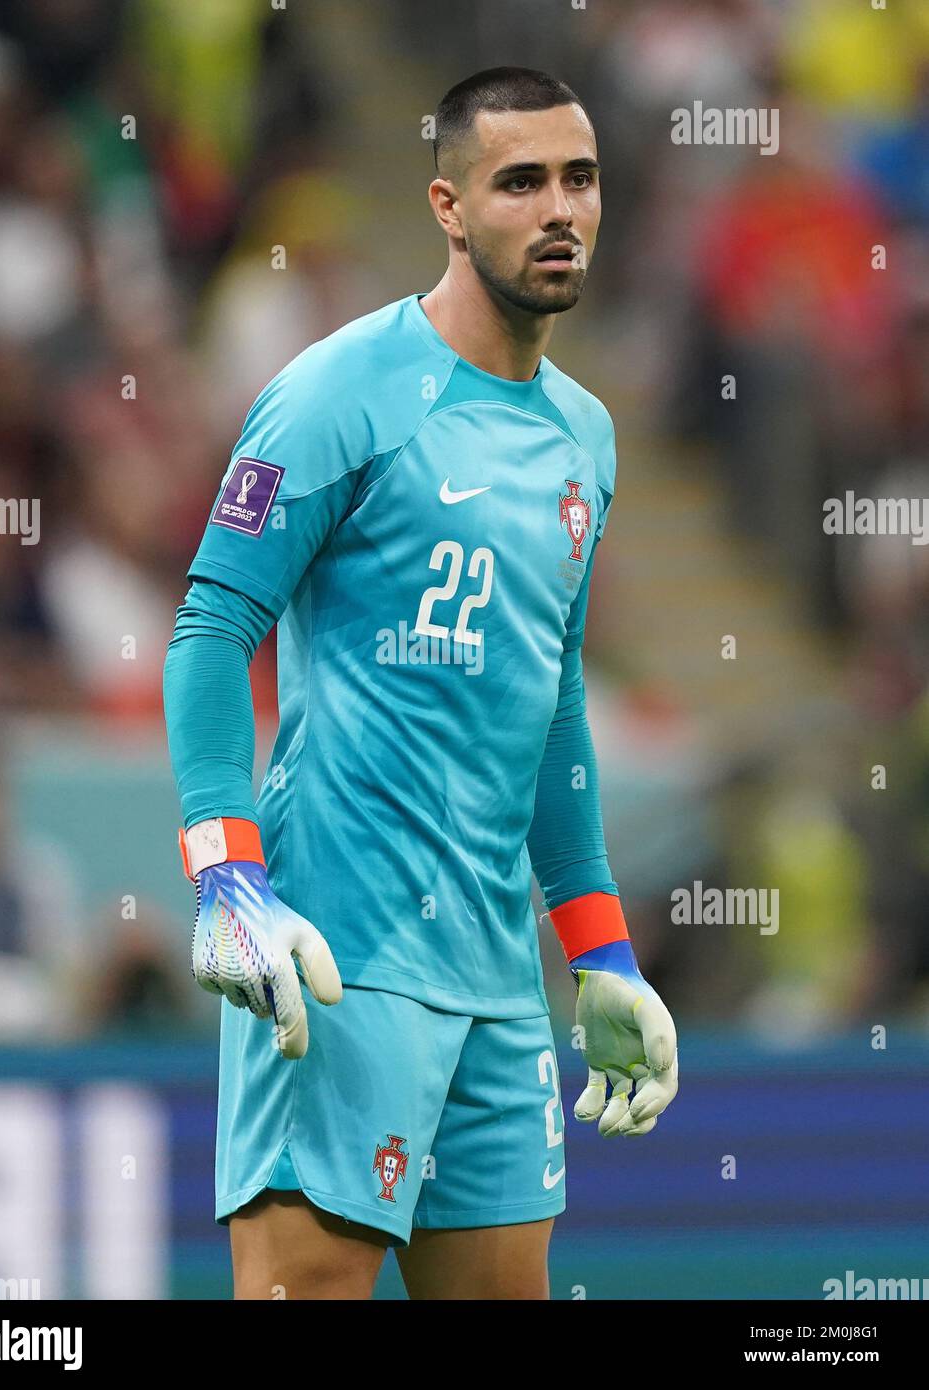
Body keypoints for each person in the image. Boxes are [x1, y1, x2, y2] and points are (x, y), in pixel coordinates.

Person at [163, 66, 678, 1301]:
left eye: (578, 178)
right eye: (519, 184)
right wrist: (225, 872)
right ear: (447, 207)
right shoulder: (340, 391)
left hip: (500, 980)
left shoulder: (584, 439)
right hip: (339, 956)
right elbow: (207, 631)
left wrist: (598, 947)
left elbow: (546, 703)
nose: (557, 209)